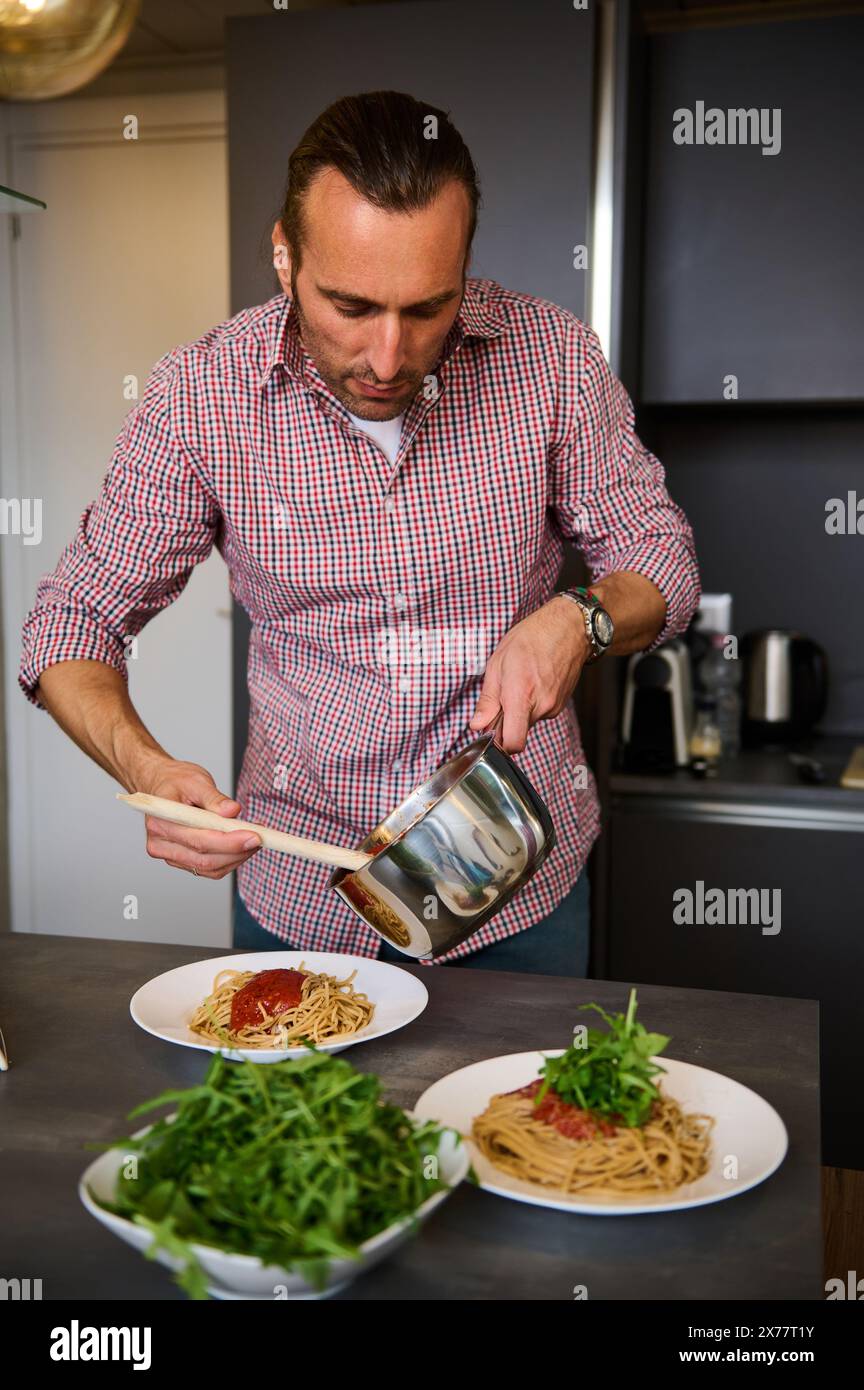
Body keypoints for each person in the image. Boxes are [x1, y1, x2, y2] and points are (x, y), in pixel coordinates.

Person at [19, 91, 700, 976]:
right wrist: (144, 768)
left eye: (428, 310)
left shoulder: (554, 358)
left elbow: (661, 559)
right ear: (284, 255)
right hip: (302, 897)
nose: (388, 358)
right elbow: (71, 623)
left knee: (514, 1119)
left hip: (516, 896)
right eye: (350, 306)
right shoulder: (200, 397)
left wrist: (581, 618)